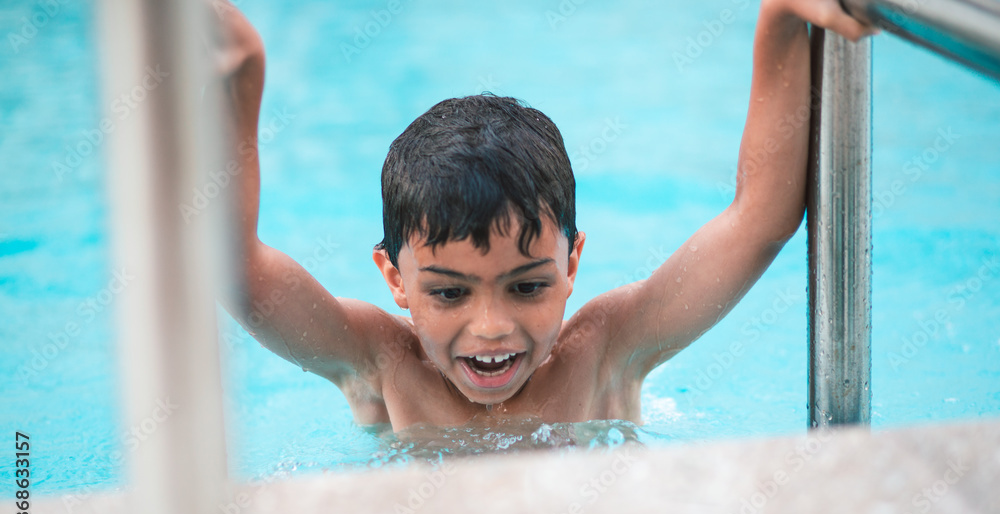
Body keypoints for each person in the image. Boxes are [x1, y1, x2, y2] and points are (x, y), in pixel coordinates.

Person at [208, 0, 875, 433]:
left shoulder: (605, 352)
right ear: (394, 278)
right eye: (447, 291)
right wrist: (243, 77)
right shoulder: (384, 363)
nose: (492, 328)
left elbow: (760, 220)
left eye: (527, 285)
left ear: (572, 262)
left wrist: (780, 19)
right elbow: (233, 271)